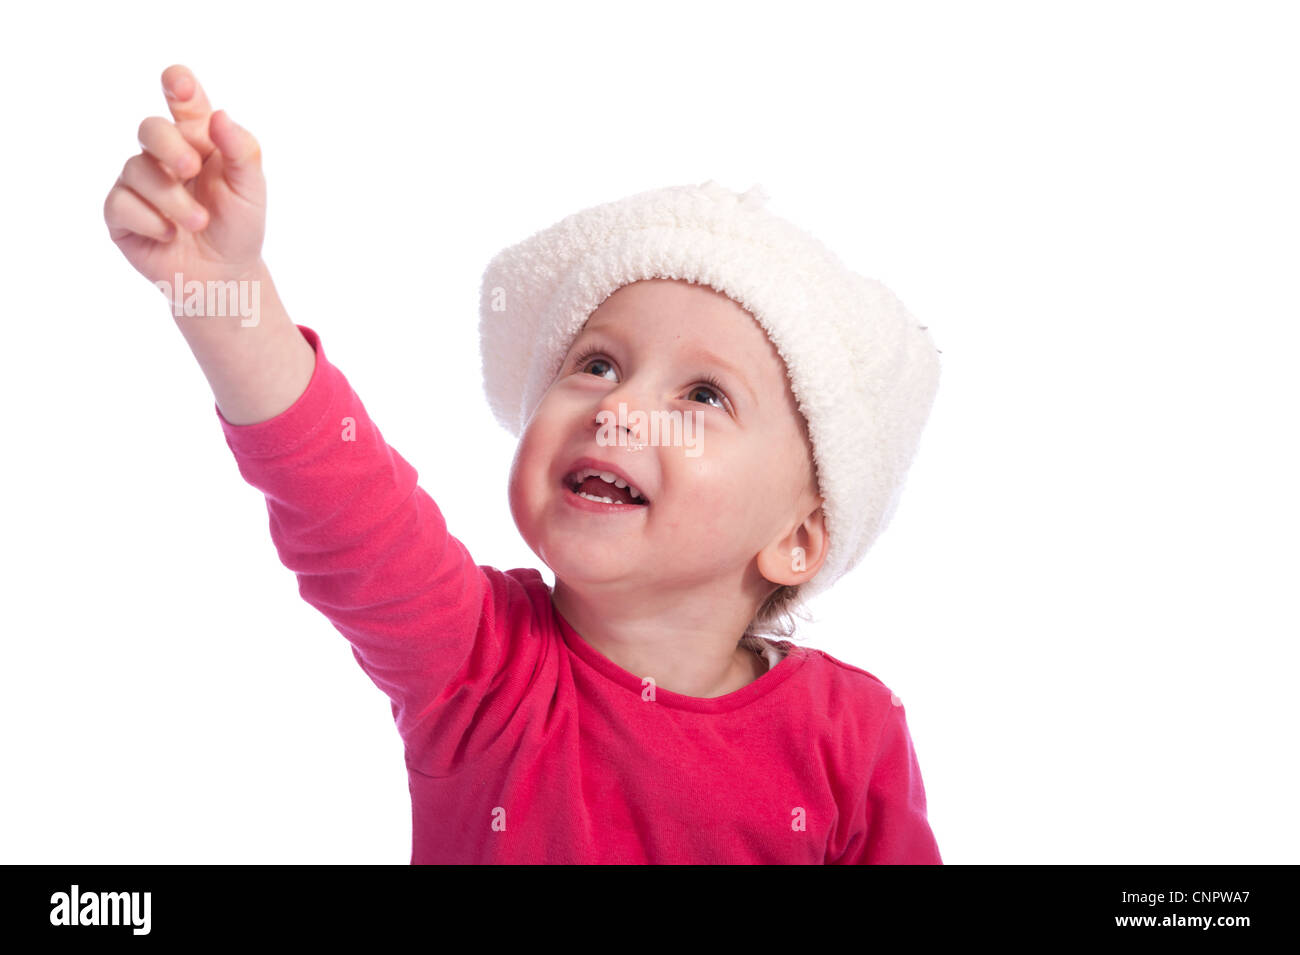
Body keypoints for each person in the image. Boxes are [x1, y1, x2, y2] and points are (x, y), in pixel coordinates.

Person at [104, 64, 944, 864]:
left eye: (704, 395)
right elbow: (339, 495)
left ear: (797, 539)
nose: (616, 407)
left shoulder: (853, 735)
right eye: (598, 365)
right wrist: (227, 292)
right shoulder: (476, 660)